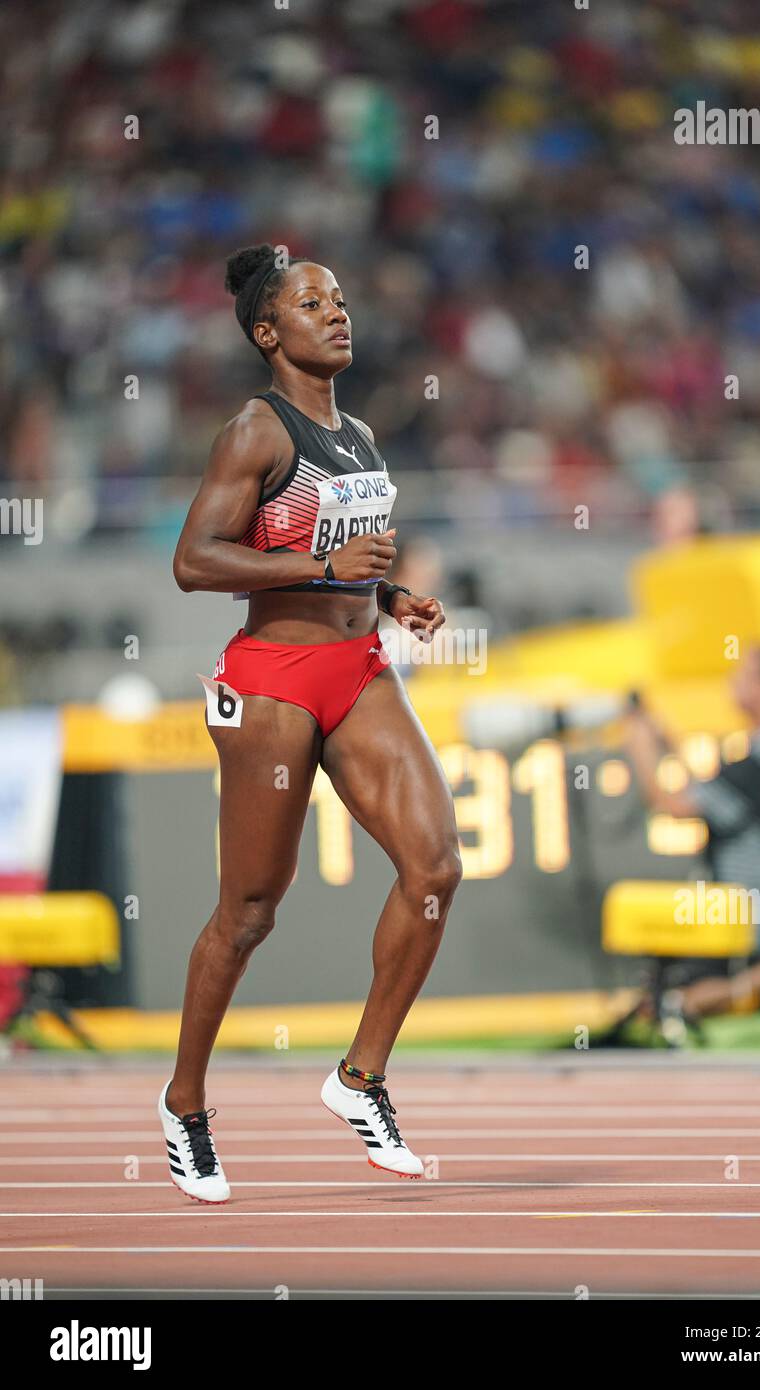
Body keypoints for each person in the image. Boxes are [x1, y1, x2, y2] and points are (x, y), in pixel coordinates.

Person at [157, 244, 462, 1201]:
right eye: (311, 303)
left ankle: (359, 1077)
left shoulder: (363, 434)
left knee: (435, 867)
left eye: (340, 297)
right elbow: (195, 561)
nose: (337, 313)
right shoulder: (256, 429)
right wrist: (325, 576)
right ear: (267, 332)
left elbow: (344, 557)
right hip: (274, 679)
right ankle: (185, 1105)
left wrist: (393, 592)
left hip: (357, 666)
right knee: (249, 913)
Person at [623, 645, 760, 1030]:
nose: (733, 681)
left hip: (755, 918)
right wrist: (671, 744)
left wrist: (642, 751)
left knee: (664, 1004)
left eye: (745, 673)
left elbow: (671, 804)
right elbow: (722, 794)